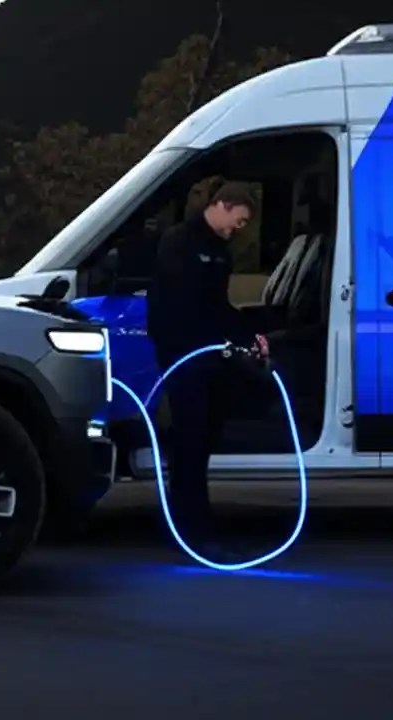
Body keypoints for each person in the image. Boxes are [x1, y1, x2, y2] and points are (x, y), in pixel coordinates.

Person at [145, 181, 269, 554]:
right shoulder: (178, 241)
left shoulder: (220, 251)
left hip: (209, 357)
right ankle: (189, 527)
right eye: (239, 220)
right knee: (189, 439)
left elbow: (218, 305)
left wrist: (250, 337)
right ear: (221, 205)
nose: (239, 229)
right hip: (183, 355)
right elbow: (181, 303)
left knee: (202, 441)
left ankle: (197, 521)